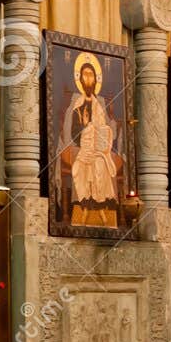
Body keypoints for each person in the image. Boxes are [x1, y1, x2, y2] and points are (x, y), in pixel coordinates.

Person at [64, 58, 118, 227]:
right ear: (80, 79)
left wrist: (105, 130)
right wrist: (85, 126)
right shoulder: (76, 105)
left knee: (100, 166)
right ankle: (85, 207)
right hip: (83, 148)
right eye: (85, 75)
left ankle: (101, 209)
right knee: (79, 168)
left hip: (99, 151)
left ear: (95, 79)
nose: (88, 79)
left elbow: (108, 131)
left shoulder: (99, 104)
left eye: (91, 75)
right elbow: (73, 134)